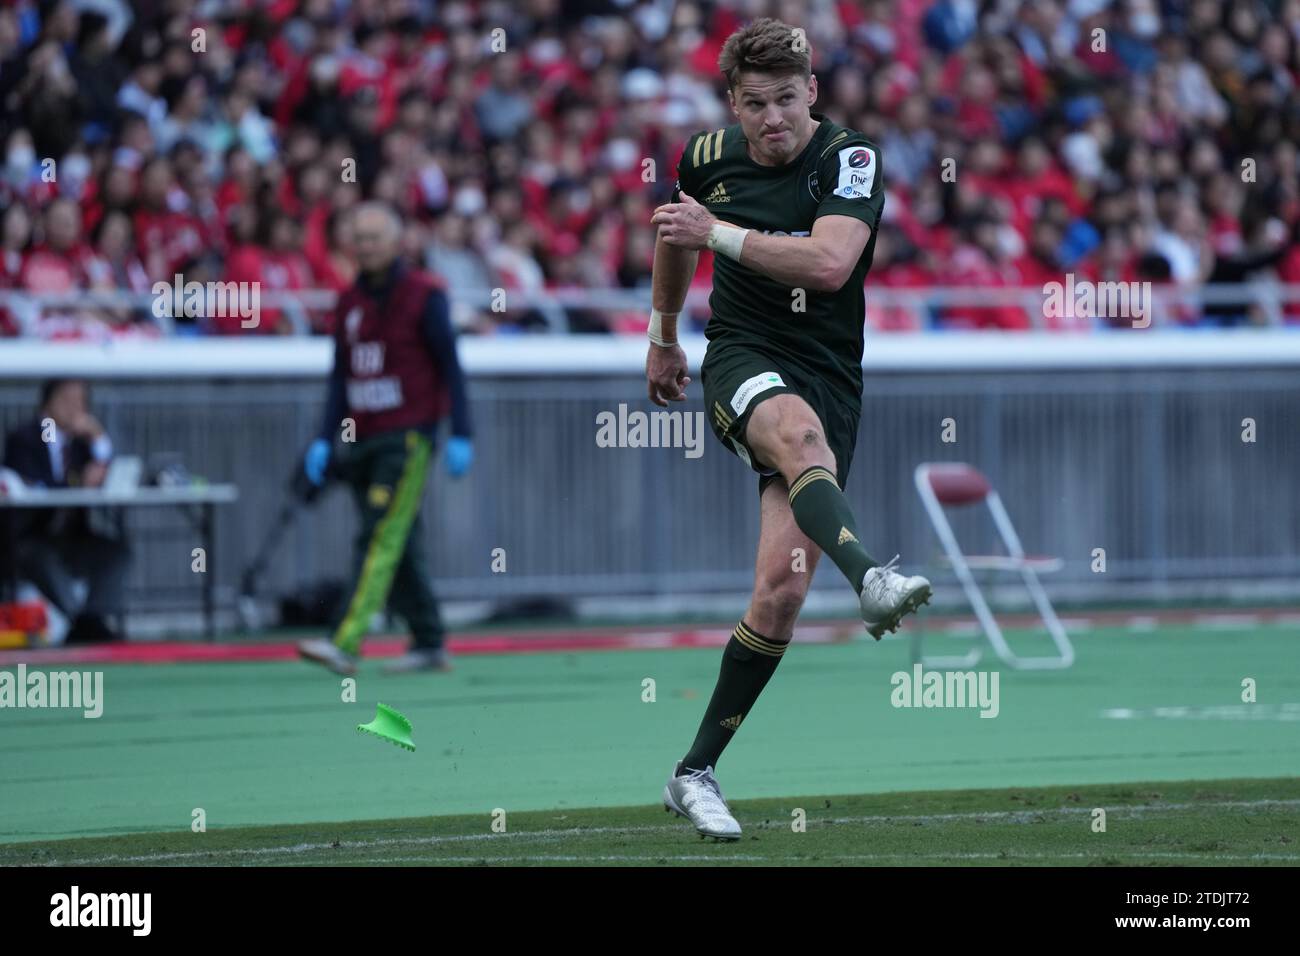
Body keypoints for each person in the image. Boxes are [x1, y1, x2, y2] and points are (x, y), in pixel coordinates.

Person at [645, 18, 932, 840]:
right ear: (732, 103)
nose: (772, 118)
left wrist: (719, 235)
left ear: (811, 90)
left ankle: (692, 774)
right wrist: (664, 336)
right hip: (743, 354)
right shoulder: (703, 158)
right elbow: (675, 237)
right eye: (754, 104)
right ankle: (873, 578)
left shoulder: (850, 158)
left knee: (780, 593)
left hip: (831, 371)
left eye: (785, 99)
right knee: (800, 442)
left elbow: (830, 263)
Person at [297, 202, 472, 676]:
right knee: (399, 540)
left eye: (375, 237)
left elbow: (450, 366)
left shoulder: (424, 295)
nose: (367, 246)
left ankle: (346, 640)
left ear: (396, 242)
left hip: (409, 438)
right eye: (360, 237)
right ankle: (430, 639)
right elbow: (340, 378)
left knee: (379, 535)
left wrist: (461, 432)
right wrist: (322, 439)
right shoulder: (349, 303)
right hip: (364, 436)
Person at [3, 378, 129, 643]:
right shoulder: (24, 438)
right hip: (31, 538)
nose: (74, 408)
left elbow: (111, 474)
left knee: (115, 552)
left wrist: (99, 439)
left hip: (72, 537)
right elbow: (36, 486)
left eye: (80, 402)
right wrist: (79, 485)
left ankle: (92, 619)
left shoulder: (82, 443)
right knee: (41, 558)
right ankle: (80, 622)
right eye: (67, 400)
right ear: (48, 401)